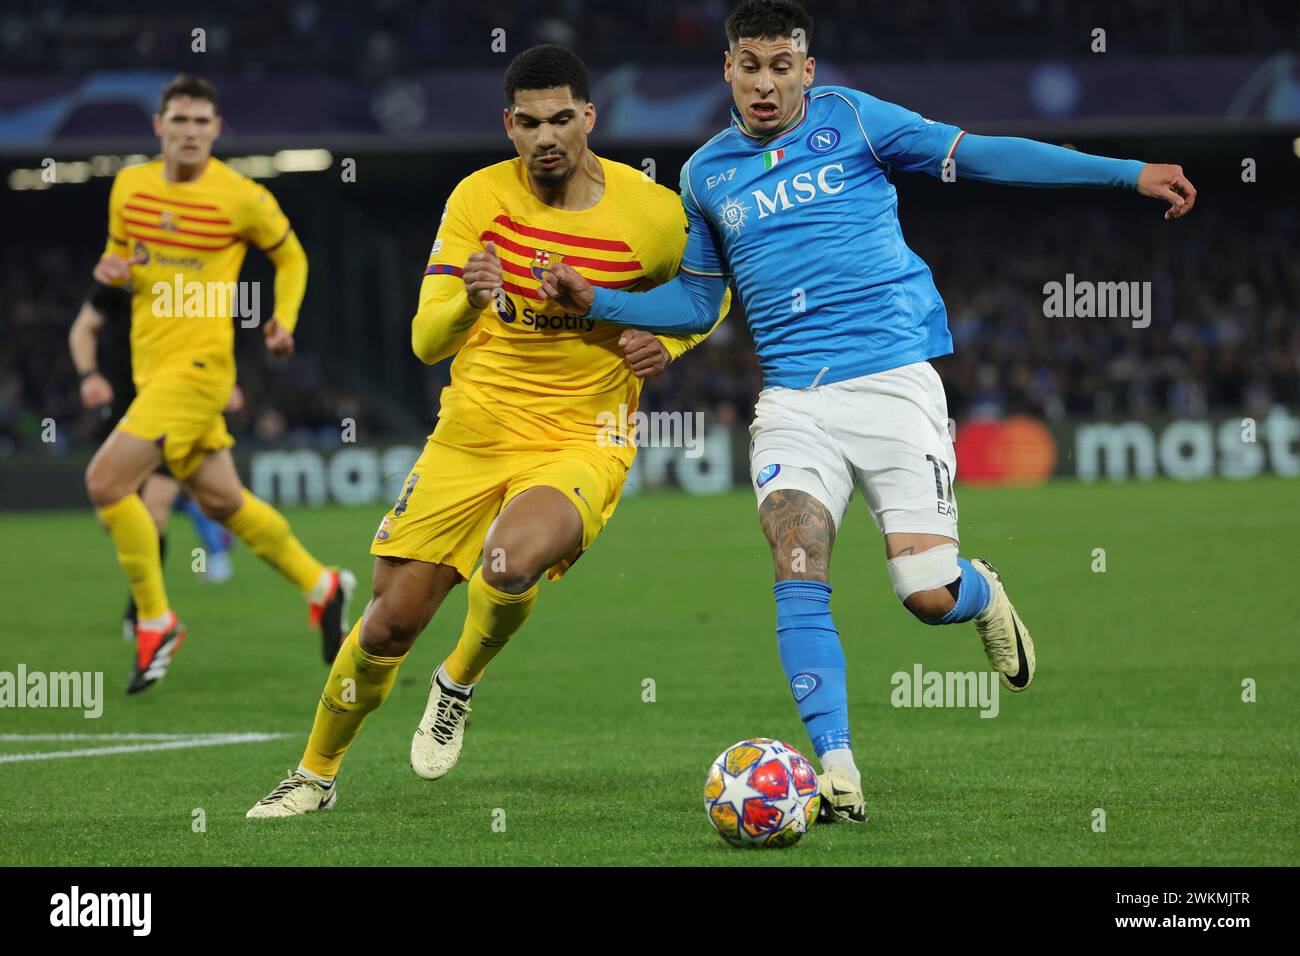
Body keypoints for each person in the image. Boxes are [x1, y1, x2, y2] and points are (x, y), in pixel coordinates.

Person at [540, 0, 1197, 822]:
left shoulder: (856, 120)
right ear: (728, 71)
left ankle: (980, 594)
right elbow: (699, 299)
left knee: (924, 594)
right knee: (798, 560)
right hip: (791, 402)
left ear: (808, 71)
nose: (767, 83)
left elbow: (982, 156)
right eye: (751, 66)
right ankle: (837, 764)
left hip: (892, 385)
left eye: (783, 67)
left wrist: (1125, 172)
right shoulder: (706, 174)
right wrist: (597, 298)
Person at [247, 44, 728, 818]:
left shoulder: (653, 213)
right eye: (530, 122)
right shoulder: (477, 199)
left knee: (508, 563)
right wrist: (469, 300)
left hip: (582, 435)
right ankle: (313, 775)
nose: (547, 137)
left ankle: (456, 682)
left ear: (589, 118)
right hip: (470, 435)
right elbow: (425, 343)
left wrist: (668, 343)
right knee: (390, 622)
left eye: (562, 119)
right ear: (509, 124)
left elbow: (712, 295)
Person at [87, 74, 354, 694]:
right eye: (178, 120)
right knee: (223, 503)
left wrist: (284, 318)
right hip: (151, 372)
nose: (189, 132)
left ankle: (155, 621)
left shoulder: (243, 197)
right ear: (158, 126)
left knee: (104, 482)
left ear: (216, 130)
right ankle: (323, 585)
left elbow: (292, 258)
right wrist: (111, 272)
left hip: (200, 372)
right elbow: (119, 263)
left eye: (201, 122)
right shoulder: (129, 187)